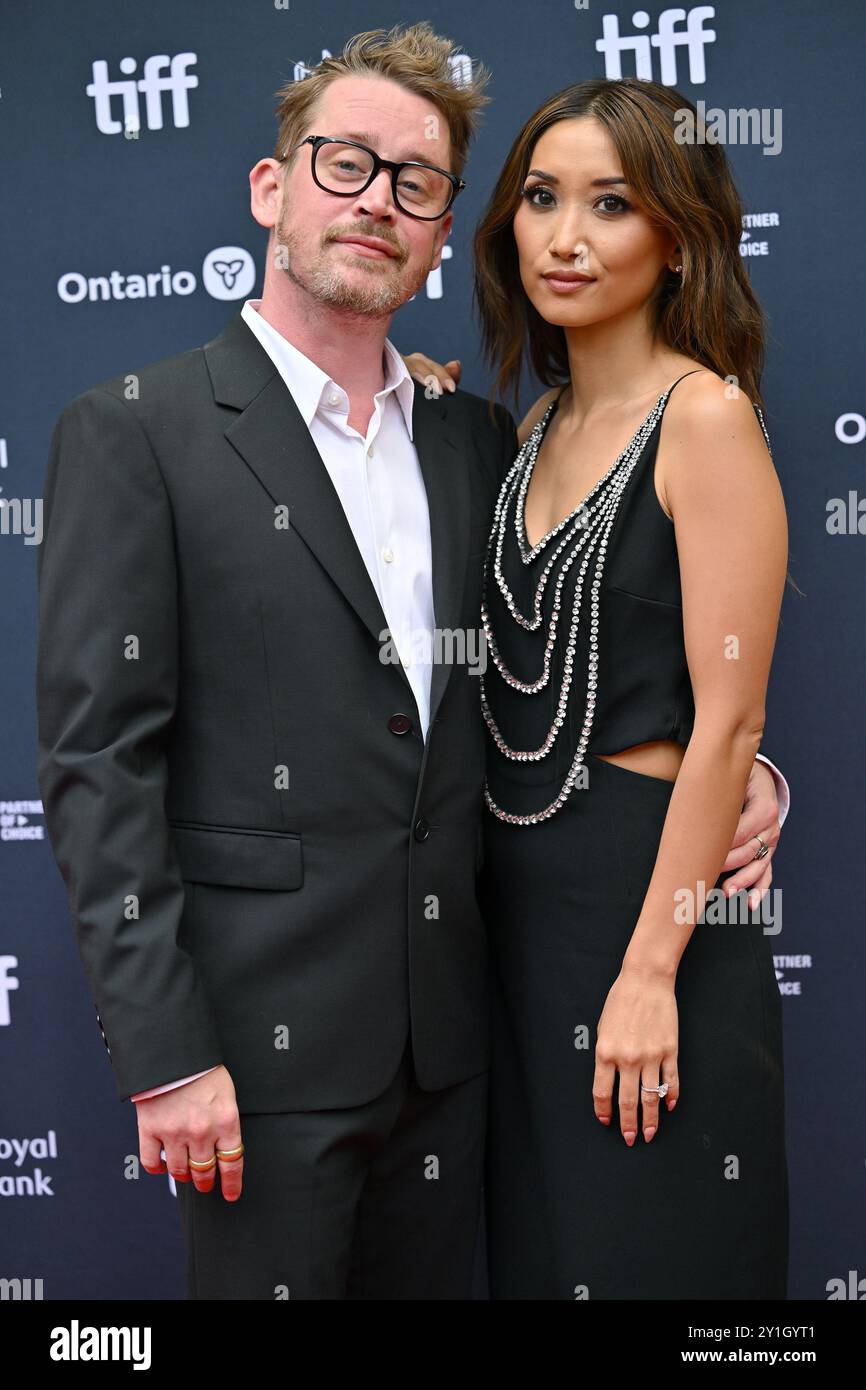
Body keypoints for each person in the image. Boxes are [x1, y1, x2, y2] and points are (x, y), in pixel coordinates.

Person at [36, 25, 788, 1300]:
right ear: (272, 191)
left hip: (462, 1044)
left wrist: (742, 775)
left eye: (418, 182)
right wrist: (165, 1056)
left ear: (443, 234)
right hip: (264, 1065)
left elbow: (634, 653)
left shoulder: (470, 439)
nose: (377, 202)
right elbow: (99, 759)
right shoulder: (141, 432)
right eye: (344, 165)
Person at [410, 76, 790, 1299]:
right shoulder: (523, 436)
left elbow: (729, 717)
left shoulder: (705, 420)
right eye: (538, 199)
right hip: (518, 921)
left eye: (609, 204)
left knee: (659, 1259)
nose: (563, 237)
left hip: (649, 916)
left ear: (673, 239)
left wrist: (648, 969)